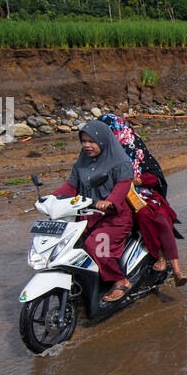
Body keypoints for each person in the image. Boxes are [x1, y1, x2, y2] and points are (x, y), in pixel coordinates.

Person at [51, 120, 137, 302]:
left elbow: (123, 185)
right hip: (88, 216)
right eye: (83, 141)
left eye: (91, 141)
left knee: (97, 246)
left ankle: (120, 280)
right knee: (70, 247)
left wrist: (109, 201)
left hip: (114, 218)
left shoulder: (119, 162)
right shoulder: (82, 162)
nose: (87, 146)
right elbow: (71, 186)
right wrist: (51, 199)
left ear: (103, 141)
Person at [100, 113, 187, 286]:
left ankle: (174, 268)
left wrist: (137, 181)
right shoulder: (98, 154)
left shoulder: (136, 151)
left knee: (160, 219)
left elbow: (155, 177)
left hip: (146, 195)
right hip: (116, 198)